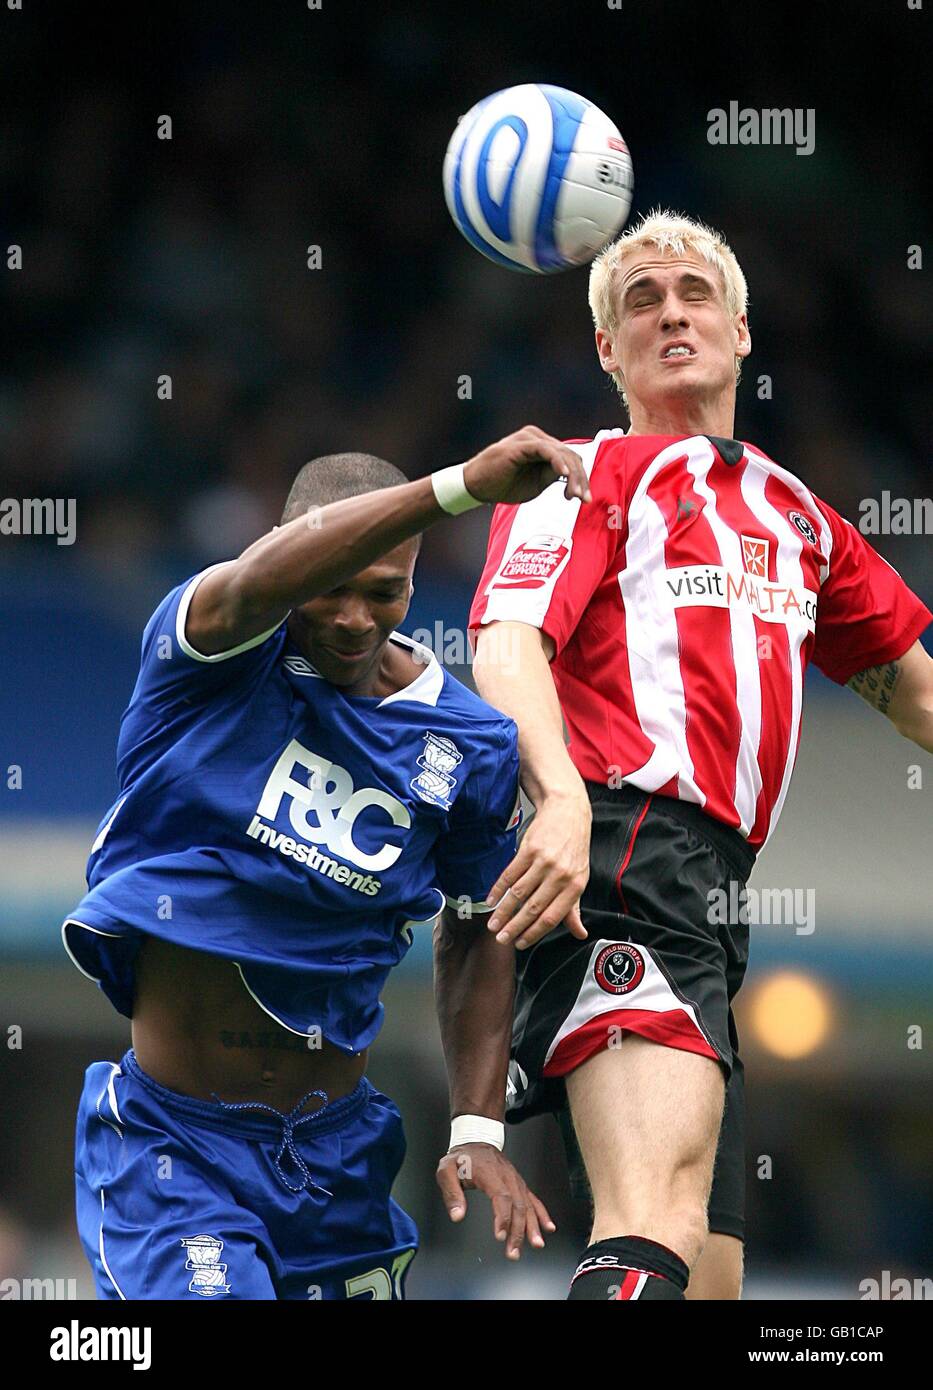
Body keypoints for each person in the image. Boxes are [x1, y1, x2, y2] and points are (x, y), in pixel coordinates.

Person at [466, 210, 933, 1301]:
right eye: (640, 299)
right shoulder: (582, 475)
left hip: (715, 893)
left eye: (694, 292)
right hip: (626, 851)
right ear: (605, 350)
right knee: (649, 1225)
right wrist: (562, 803)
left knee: (710, 1277)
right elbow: (505, 644)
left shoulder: (799, 515)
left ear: (741, 329)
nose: (672, 311)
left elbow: (914, 689)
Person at [63, 429, 591, 1300]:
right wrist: (458, 484)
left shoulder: (468, 741)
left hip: (336, 1156)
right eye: (329, 587)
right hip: (176, 1149)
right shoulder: (211, 652)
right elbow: (263, 580)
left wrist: (477, 1128)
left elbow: (476, 923)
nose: (352, 618)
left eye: (385, 592)